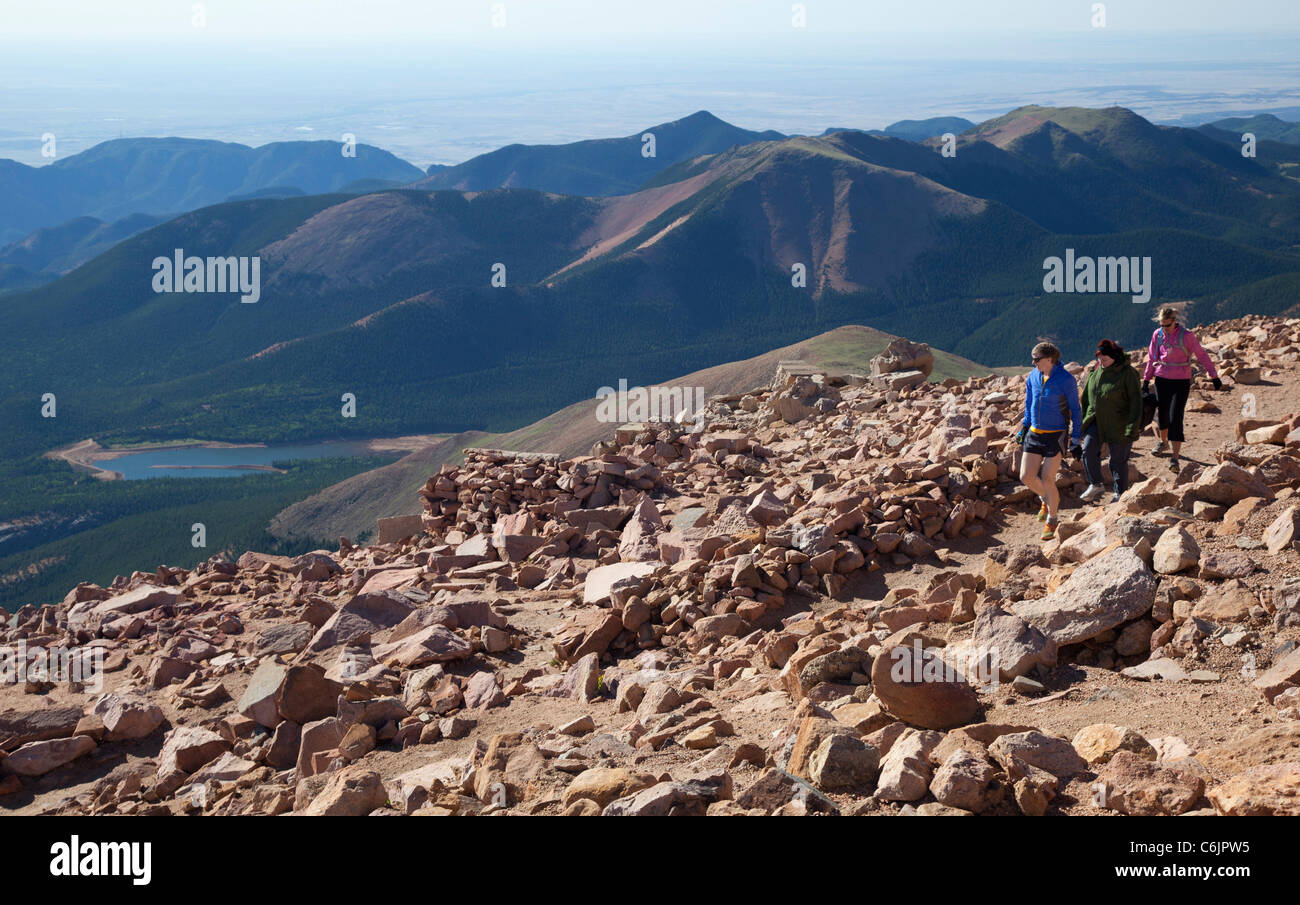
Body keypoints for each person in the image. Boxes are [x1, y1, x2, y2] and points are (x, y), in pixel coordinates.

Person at [1015, 341, 1083, 541]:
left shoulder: (1066, 380)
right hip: (1035, 432)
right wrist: (1025, 426)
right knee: (1026, 477)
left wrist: (1076, 439)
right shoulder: (1033, 376)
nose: (1033, 363)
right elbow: (1029, 403)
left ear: (1049, 359)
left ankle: (1052, 518)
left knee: (1047, 479)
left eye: (1036, 360)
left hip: (1056, 434)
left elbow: (1076, 411)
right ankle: (1045, 498)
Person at [1141, 306, 1221, 473]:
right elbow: (1152, 357)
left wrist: (1214, 376)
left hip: (1181, 381)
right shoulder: (1158, 334)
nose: (1164, 328)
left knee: (1175, 417)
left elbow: (1202, 355)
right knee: (1162, 415)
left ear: (1175, 322)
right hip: (1161, 379)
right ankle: (1163, 443)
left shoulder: (1187, 336)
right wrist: (1146, 379)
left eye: (1167, 325)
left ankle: (1175, 458)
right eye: (1162, 324)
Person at [1079, 339, 1142, 503]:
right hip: (1096, 420)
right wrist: (1084, 420)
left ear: (1115, 357)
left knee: (1117, 460)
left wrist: (1132, 427)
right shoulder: (1097, 371)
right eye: (1099, 358)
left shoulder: (1127, 373)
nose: (1101, 362)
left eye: (1104, 359)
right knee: (1088, 450)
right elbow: (1086, 396)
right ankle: (1096, 484)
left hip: (1120, 423)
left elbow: (1136, 402)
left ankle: (1120, 494)